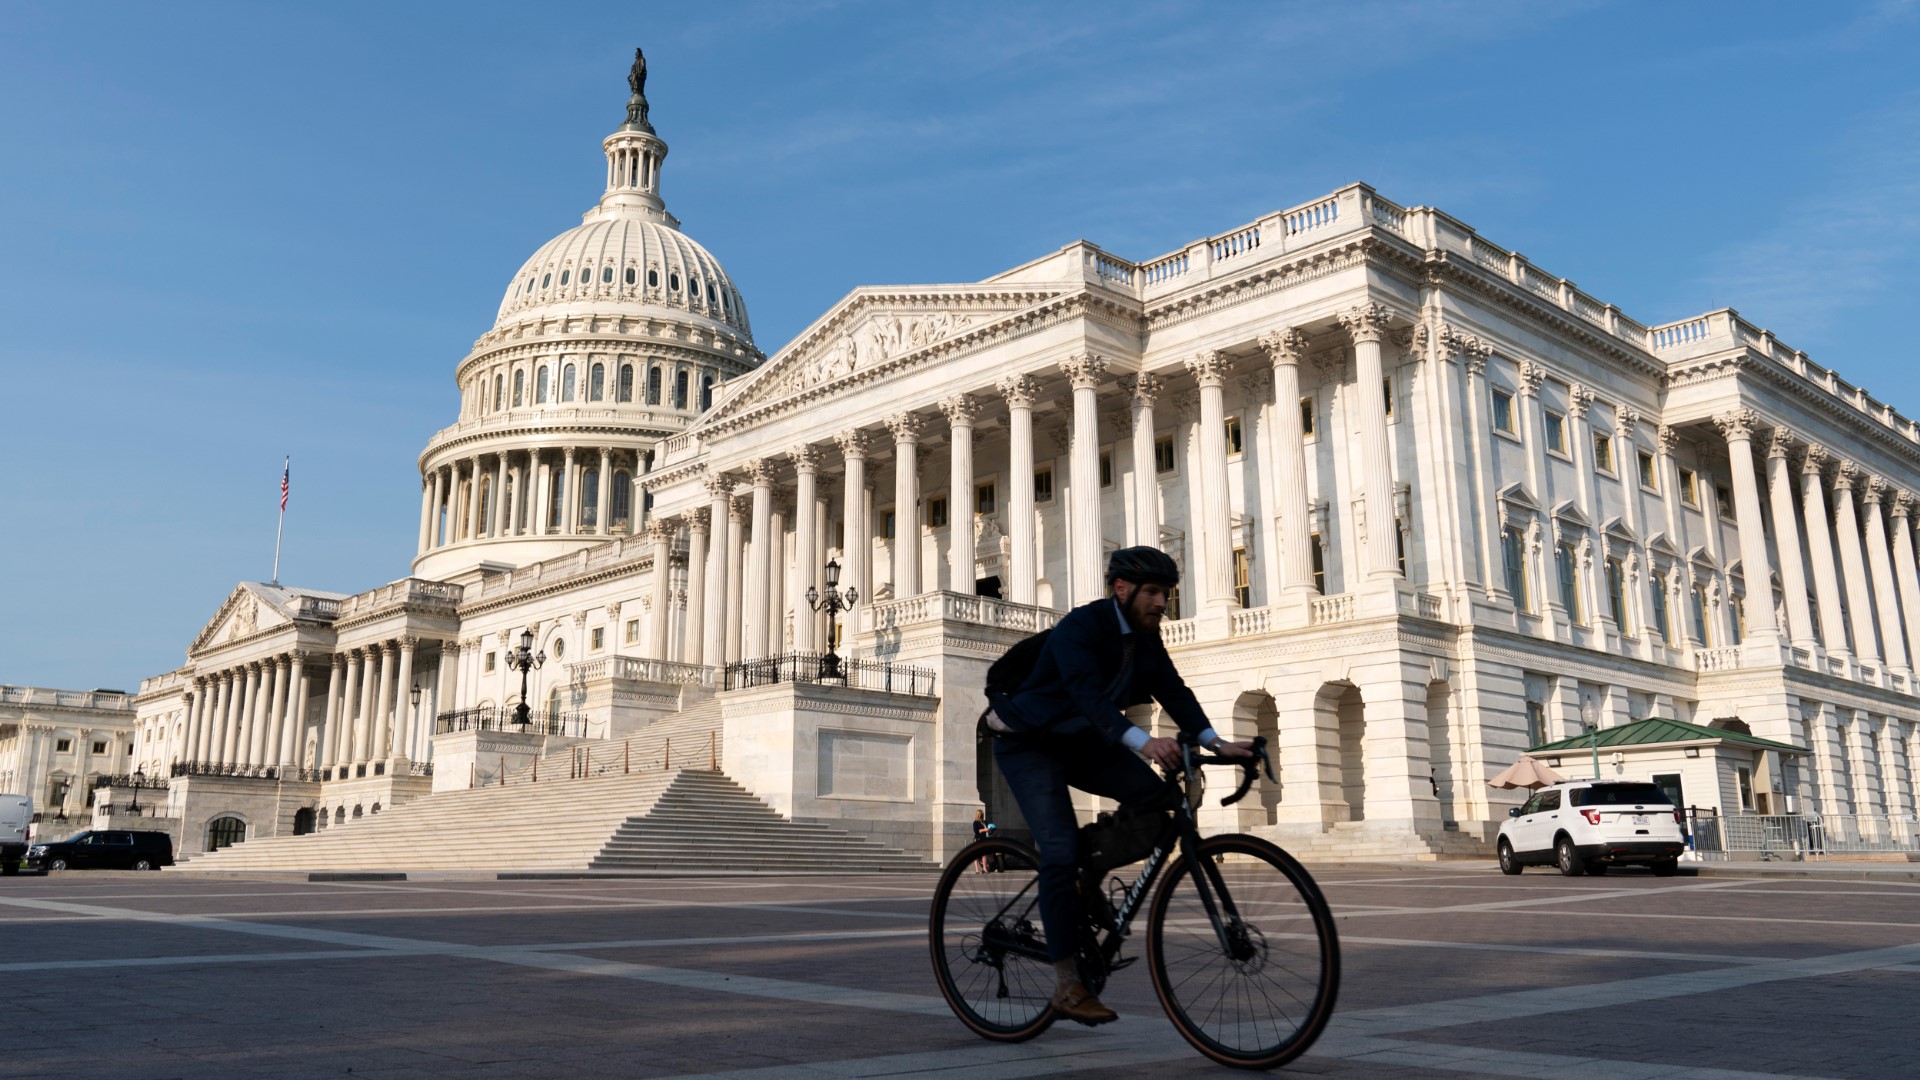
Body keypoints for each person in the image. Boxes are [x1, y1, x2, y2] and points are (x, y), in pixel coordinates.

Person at [983, 545, 1253, 1026]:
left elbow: (1173, 689)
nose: (1161, 603)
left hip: (1081, 739)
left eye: (1165, 593)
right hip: (1030, 742)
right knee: (1060, 853)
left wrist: (1216, 741)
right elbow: (1087, 694)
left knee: (1161, 800)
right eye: (1151, 592)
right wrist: (1145, 743)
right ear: (1121, 589)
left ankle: (1084, 879)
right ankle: (1068, 984)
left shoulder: (1146, 639)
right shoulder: (1081, 628)